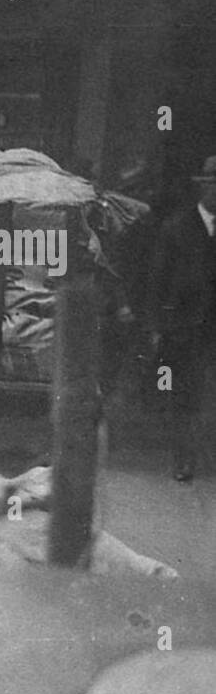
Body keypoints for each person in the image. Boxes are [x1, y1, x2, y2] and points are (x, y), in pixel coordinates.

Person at [145, 154, 216, 482]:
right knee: (185, 396)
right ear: (202, 188)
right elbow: (158, 282)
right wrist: (159, 326)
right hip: (185, 329)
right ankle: (183, 460)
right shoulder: (176, 228)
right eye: (212, 184)